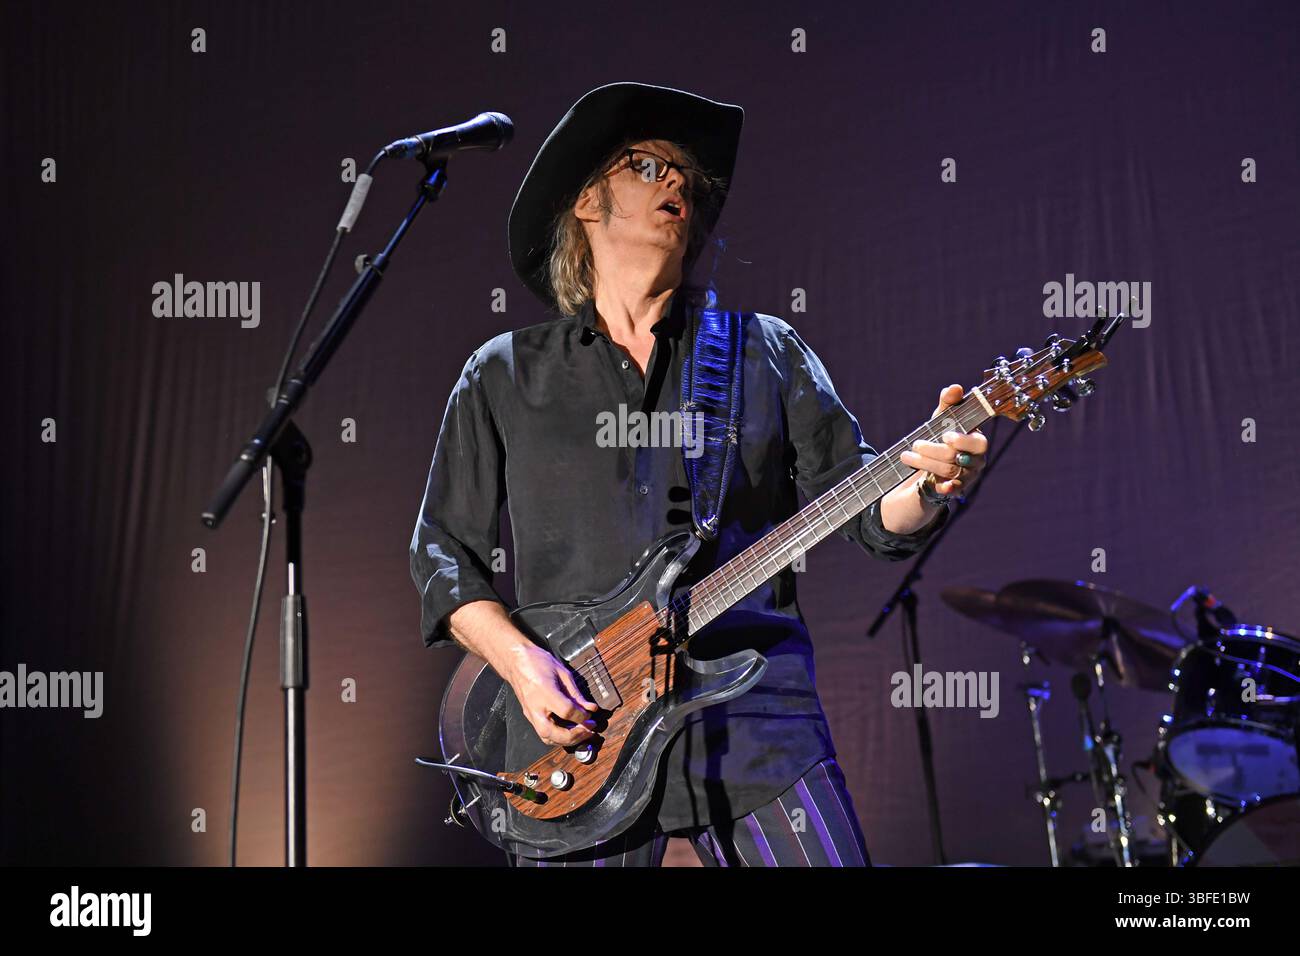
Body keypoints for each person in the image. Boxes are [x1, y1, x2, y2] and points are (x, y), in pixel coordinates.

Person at [410, 82, 987, 866]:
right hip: (580, 735)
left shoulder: (764, 350)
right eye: (649, 167)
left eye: (690, 176)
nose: (678, 183)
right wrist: (523, 666)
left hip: (755, 725)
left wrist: (925, 484)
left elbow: (864, 507)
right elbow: (442, 555)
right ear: (586, 201)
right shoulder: (503, 375)